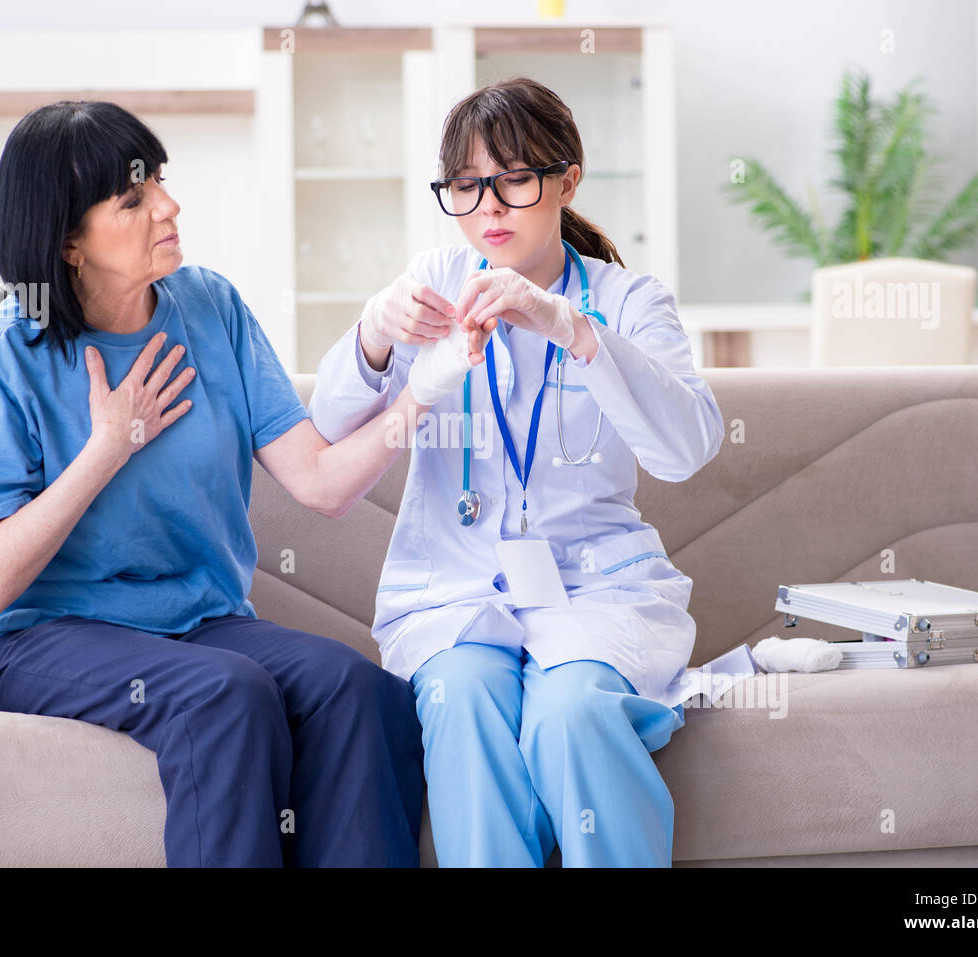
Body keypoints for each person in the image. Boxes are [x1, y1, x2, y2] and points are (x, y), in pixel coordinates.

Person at [0, 100, 483, 867]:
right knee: (226, 695)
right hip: (43, 632)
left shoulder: (210, 306)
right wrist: (107, 447)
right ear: (68, 241)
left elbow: (322, 482)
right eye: (132, 199)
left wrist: (421, 391)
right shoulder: (6, 351)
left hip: (197, 621)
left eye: (159, 179)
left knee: (364, 692)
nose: (167, 205)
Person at [307, 77, 726, 867]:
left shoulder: (627, 300)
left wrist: (571, 328)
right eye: (467, 186)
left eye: (515, 179)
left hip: (597, 587)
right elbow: (325, 433)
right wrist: (371, 334)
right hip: (456, 589)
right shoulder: (430, 281)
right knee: (461, 699)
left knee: (570, 711)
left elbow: (686, 448)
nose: (489, 206)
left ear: (566, 182)